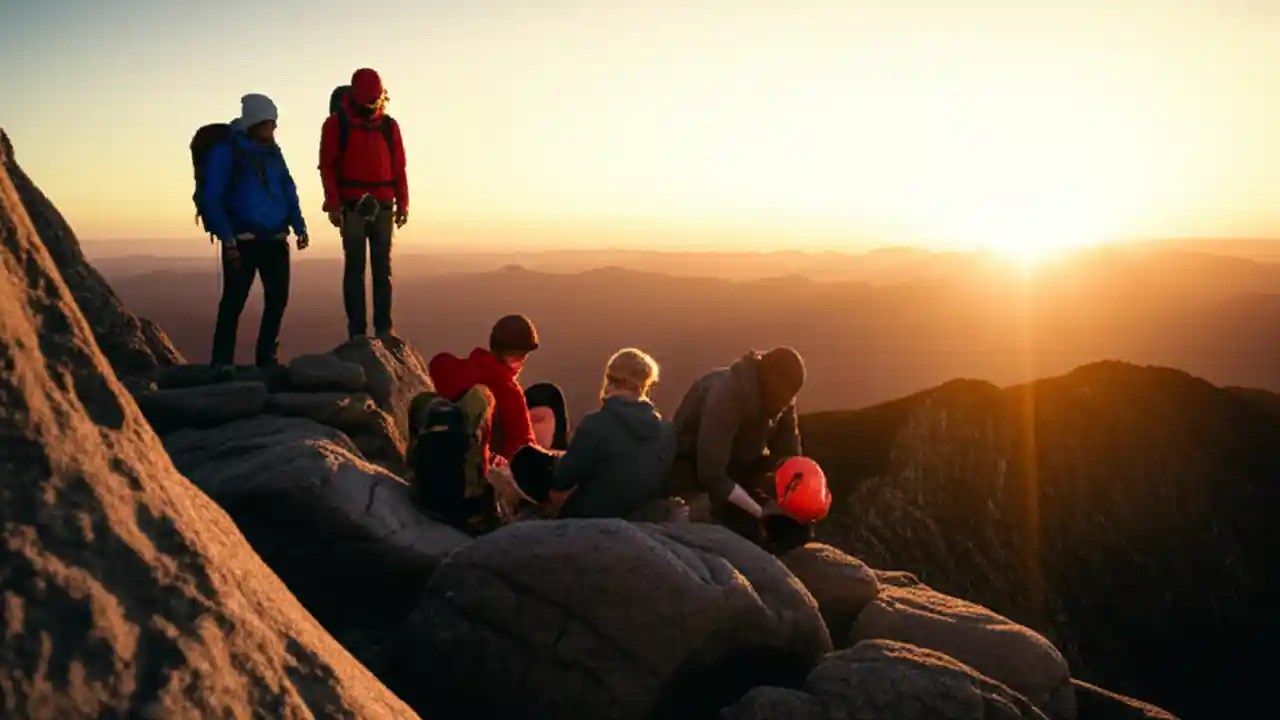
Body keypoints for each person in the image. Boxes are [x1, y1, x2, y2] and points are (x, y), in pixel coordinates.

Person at [200, 93, 308, 368]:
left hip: (275, 238)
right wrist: (226, 235)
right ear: (254, 123)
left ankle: (266, 359)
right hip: (242, 240)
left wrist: (298, 224)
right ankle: (222, 363)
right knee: (234, 302)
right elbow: (211, 196)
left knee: (277, 300)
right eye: (267, 123)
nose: (272, 129)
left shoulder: (273, 151)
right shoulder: (227, 151)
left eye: (273, 124)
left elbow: (287, 188)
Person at [669, 347, 806, 543]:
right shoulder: (727, 394)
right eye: (779, 401)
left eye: (788, 401)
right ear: (766, 383)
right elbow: (710, 473)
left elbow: (791, 460)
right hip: (692, 468)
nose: (781, 409)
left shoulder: (780, 397)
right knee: (733, 525)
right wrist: (760, 513)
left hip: (737, 464)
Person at [319, 67, 408, 340]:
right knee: (358, 267)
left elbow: (399, 166)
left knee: (380, 269)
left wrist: (403, 202)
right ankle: (359, 330)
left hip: (380, 204)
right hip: (355, 204)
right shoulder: (336, 124)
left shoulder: (389, 125)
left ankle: (383, 328)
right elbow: (328, 165)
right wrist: (333, 202)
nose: (372, 106)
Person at [545, 348, 676, 519]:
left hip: (593, 517)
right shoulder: (665, 431)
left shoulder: (595, 425)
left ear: (609, 380)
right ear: (645, 385)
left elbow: (563, 479)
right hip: (644, 518)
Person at [427, 314, 544, 464]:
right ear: (519, 357)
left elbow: (439, 363)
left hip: (442, 456)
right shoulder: (508, 390)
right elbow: (524, 446)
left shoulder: (461, 370)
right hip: (482, 467)